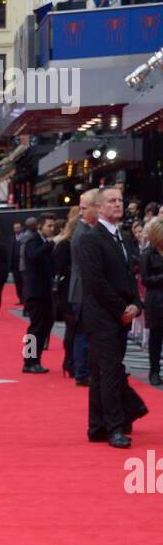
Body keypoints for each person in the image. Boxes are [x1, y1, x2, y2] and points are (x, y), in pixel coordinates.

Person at [74, 183, 145, 447]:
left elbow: (129, 275)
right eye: (112, 201)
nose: (118, 204)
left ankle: (97, 426)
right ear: (100, 207)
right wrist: (121, 309)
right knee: (111, 372)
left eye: (120, 200)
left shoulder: (123, 237)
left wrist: (136, 304)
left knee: (102, 372)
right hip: (102, 318)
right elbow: (96, 282)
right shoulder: (90, 239)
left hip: (120, 316)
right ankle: (115, 427)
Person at [67, 189, 99, 388]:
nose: (81, 212)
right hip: (82, 291)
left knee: (82, 333)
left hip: (80, 289)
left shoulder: (83, 231)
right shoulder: (83, 233)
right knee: (83, 333)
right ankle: (81, 371)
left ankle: (81, 370)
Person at [21, 215, 55, 374]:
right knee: (35, 328)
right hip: (35, 293)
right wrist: (50, 244)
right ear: (40, 227)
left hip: (45, 291)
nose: (52, 229)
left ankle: (36, 360)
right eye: (49, 226)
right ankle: (29, 361)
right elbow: (34, 255)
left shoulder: (42, 242)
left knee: (43, 327)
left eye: (53, 226)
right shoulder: (33, 240)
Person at [53, 207, 80, 376]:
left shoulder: (66, 244)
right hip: (65, 292)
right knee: (34, 331)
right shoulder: (63, 245)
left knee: (74, 329)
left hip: (69, 291)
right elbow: (61, 268)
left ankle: (70, 361)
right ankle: (30, 358)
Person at [139, 215, 163, 386]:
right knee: (156, 338)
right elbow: (146, 279)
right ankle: (154, 371)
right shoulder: (148, 254)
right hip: (156, 300)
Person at [10, 220, 25, 304]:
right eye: (15, 228)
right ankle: (20, 298)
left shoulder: (24, 237)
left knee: (24, 282)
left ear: (22, 228)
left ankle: (25, 298)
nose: (16, 229)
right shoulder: (12, 238)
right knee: (17, 283)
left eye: (18, 227)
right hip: (15, 264)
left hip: (23, 263)